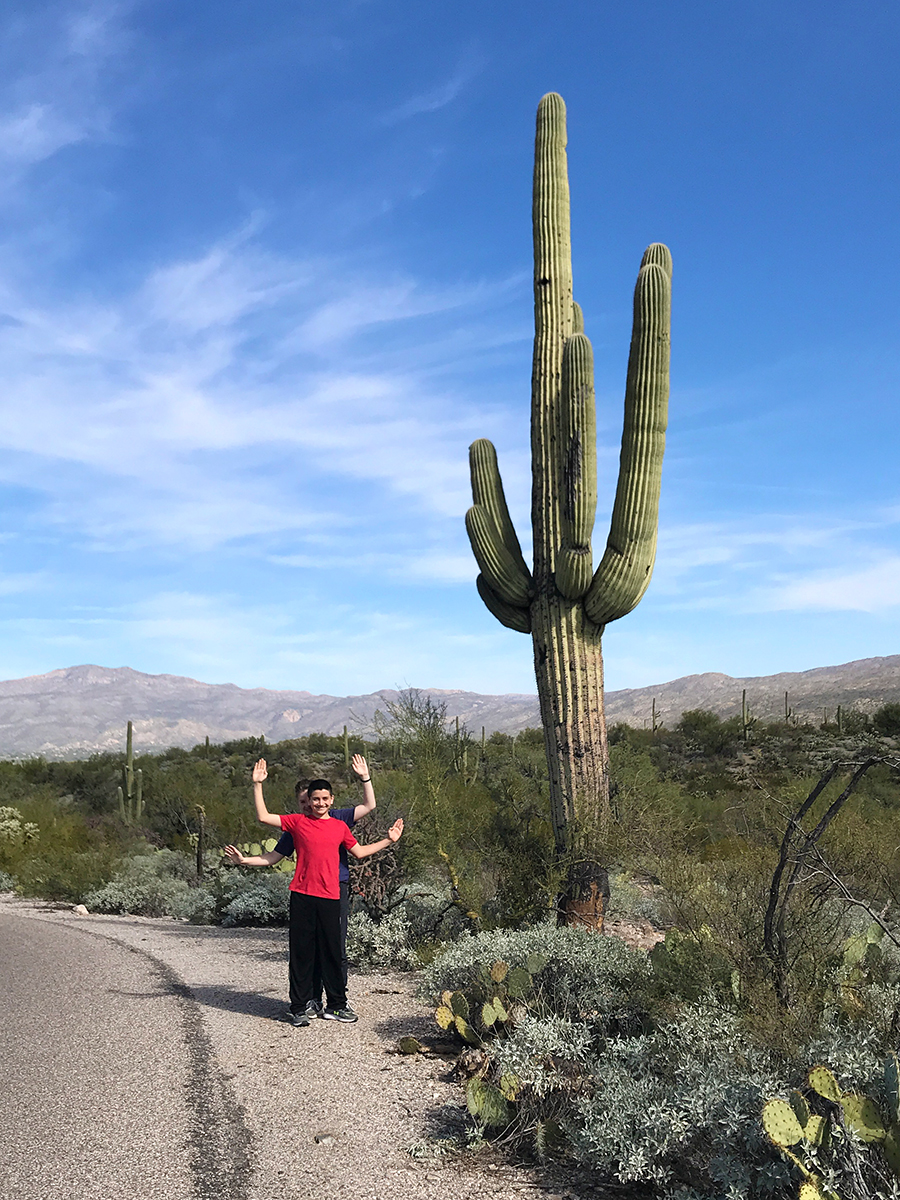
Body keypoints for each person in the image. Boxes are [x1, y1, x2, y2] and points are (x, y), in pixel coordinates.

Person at [225, 758, 402, 1028]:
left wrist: (389, 840)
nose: (319, 803)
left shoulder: (341, 826)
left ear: (332, 799)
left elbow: (360, 852)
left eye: (324, 799)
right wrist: (257, 785)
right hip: (303, 896)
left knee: (332, 952)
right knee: (301, 952)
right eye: (314, 799)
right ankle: (299, 1007)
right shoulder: (296, 823)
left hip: (331, 896)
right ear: (308, 800)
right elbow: (263, 819)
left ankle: (336, 1005)